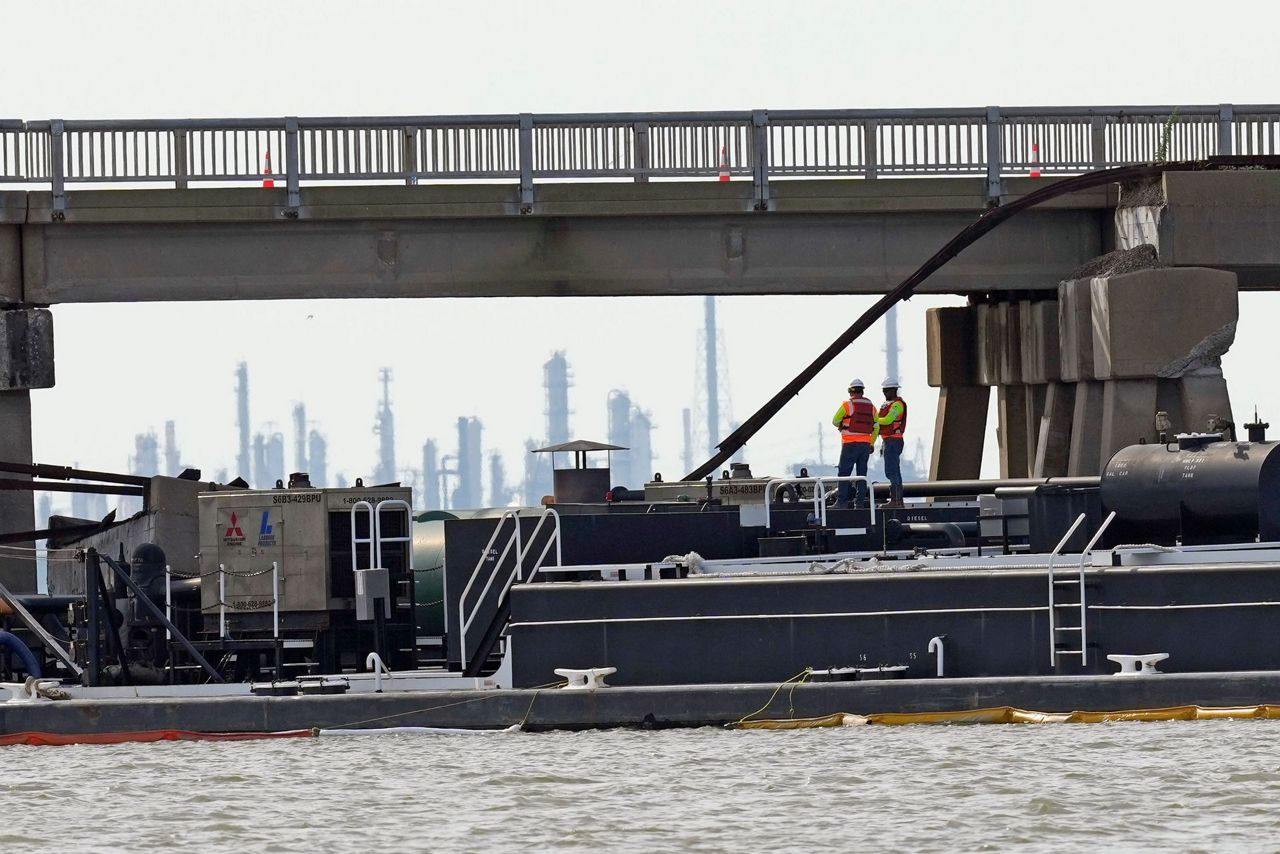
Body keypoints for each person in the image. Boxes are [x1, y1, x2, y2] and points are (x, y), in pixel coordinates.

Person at [832, 379, 876, 508]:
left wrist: (841, 426)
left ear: (850, 391)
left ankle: (841, 502)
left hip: (850, 444)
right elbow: (876, 425)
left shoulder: (847, 405)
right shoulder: (871, 406)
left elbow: (835, 420)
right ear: (862, 391)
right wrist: (872, 443)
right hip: (865, 445)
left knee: (844, 473)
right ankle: (860, 503)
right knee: (862, 474)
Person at [874, 378, 908, 508]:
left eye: (886, 390)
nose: (884, 393)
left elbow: (888, 420)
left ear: (893, 390)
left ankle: (896, 501)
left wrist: (874, 419)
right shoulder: (887, 404)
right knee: (891, 470)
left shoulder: (897, 405)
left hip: (894, 440)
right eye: (883, 390)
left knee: (893, 471)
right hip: (888, 440)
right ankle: (897, 500)